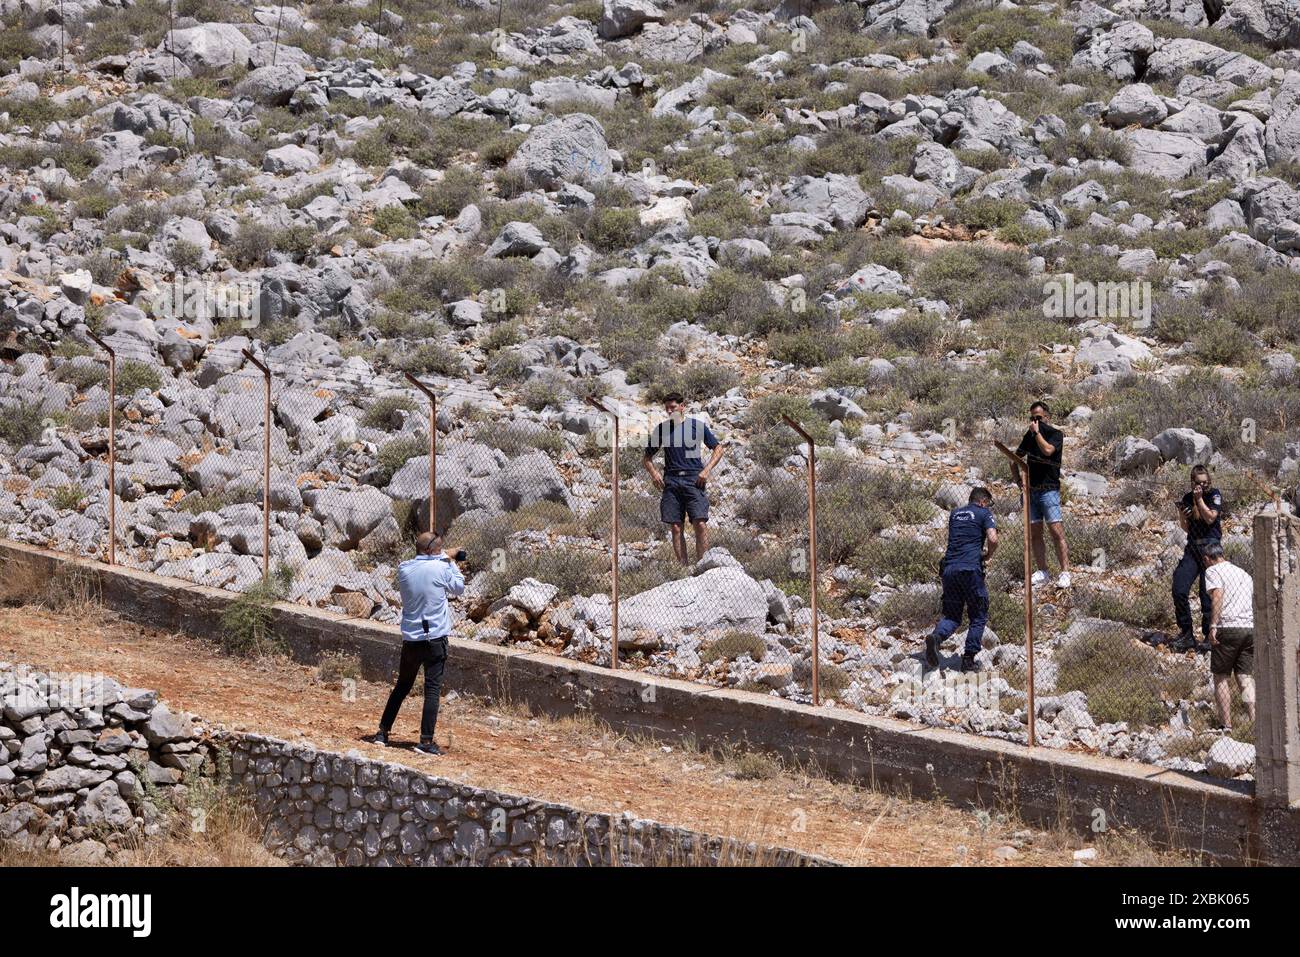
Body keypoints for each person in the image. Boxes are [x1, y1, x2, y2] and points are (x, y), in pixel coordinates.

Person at [374, 532, 464, 754]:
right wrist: (450, 561)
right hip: (434, 640)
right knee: (432, 691)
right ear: (431, 551)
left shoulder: (404, 568)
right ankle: (425, 741)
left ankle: (382, 733)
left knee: (402, 687)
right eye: (439, 548)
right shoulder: (442, 567)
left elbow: (425, 565)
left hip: (411, 640)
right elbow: (459, 587)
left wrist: (442, 556)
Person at [642, 392, 724, 566]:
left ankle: (702, 567)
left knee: (700, 524)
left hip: (695, 479)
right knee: (676, 528)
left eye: (673, 407)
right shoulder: (662, 430)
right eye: (667, 408)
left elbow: (718, 448)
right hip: (671, 482)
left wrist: (706, 471)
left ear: (682, 406)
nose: (670, 411)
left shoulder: (697, 426)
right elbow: (647, 458)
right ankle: (684, 569)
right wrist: (654, 474)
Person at [925, 487, 999, 674]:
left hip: (950, 569)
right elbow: (993, 538)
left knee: (952, 615)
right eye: (988, 503)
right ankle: (968, 659)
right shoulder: (984, 512)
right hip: (970, 569)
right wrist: (988, 555)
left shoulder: (955, 514)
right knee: (978, 615)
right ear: (983, 501)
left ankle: (936, 637)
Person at [1012, 400, 1070, 589]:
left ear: (1047, 416)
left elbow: (1047, 451)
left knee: (1056, 531)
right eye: (1032, 418)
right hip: (1032, 492)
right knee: (1036, 533)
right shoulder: (1029, 437)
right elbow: (1015, 459)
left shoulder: (1055, 434)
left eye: (1038, 417)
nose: (1035, 421)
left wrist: (1036, 433)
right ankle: (1043, 570)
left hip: (1049, 490)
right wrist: (1019, 482)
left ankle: (1065, 572)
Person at [1201, 542, 1255, 730]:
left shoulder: (1213, 571)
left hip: (1228, 627)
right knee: (1244, 677)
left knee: (1221, 677)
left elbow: (1217, 595)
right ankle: (1254, 722)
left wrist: (1213, 625)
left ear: (1207, 558)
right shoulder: (1244, 574)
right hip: (1248, 628)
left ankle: (1226, 725)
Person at [1171, 464, 1224, 653]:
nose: (1203, 485)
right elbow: (1186, 527)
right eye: (1199, 482)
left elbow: (1210, 518)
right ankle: (1186, 633)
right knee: (1179, 587)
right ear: (1192, 482)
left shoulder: (1214, 495)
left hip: (1211, 547)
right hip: (1193, 548)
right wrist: (1182, 513)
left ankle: (1209, 636)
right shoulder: (1187, 498)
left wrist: (1199, 499)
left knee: (1206, 594)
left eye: (1205, 481)